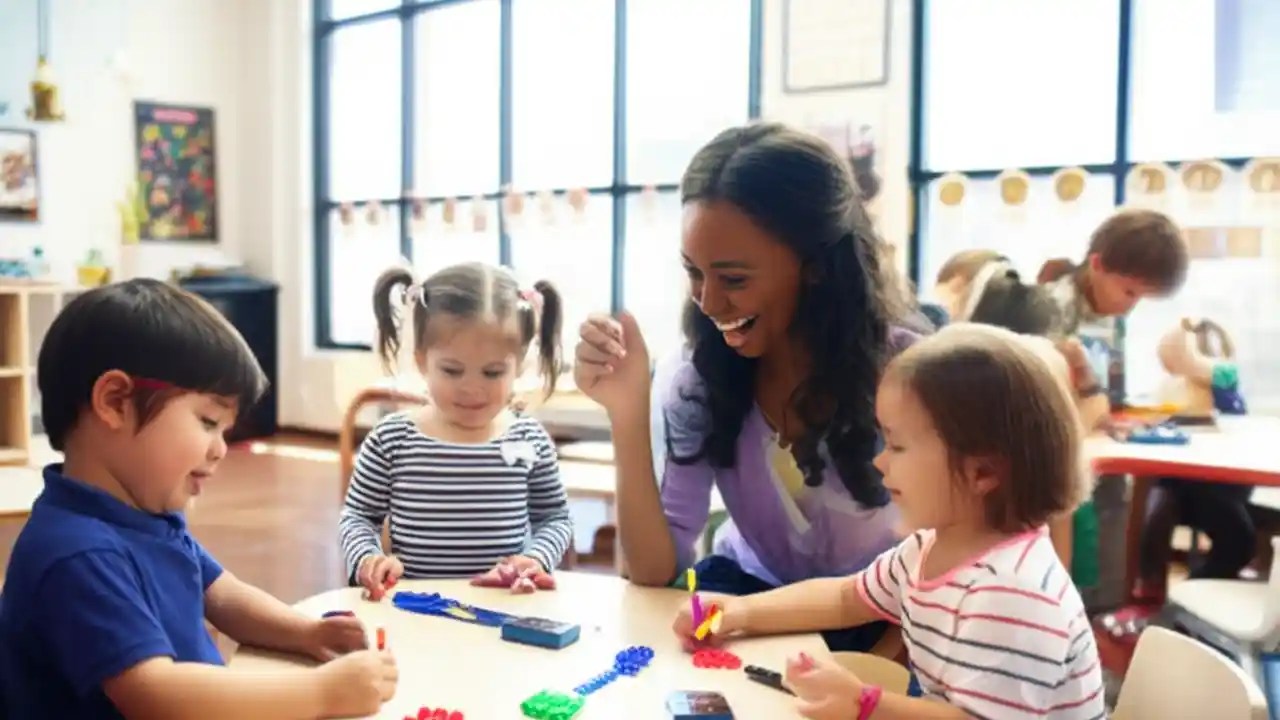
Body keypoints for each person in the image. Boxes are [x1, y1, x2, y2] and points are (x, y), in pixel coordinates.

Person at [573, 122, 922, 655]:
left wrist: (871, 671)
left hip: (891, 620)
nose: (709, 303)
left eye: (734, 280)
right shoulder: (696, 379)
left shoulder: (910, 373)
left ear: (817, 269)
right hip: (751, 606)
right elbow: (652, 572)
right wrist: (627, 410)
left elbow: (959, 551)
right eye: (694, 273)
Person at [0, 279, 398, 719]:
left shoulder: (144, 514)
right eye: (208, 421)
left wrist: (306, 633)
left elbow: (221, 594)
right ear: (115, 401)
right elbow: (155, 695)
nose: (221, 448)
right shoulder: (76, 553)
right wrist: (321, 693)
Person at [675, 324, 1103, 720]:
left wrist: (865, 704)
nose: (880, 461)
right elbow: (847, 598)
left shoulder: (1013, 592)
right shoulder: (931, 547)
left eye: (897, 445)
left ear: (982, 473)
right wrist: (740, 611)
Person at [341, 262, 573, 597]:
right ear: (422, 361)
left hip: (505, 610)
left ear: (519, 364)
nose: (472, 389)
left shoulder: (529, 439)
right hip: (415, 609)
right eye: (452, 371)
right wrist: (368, 558)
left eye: (492, 373)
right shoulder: (392, 440)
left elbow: (555, 518)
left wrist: (536, 558)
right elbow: (358, 517)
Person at [1039, 208, 1189, 611]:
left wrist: (1115, 411)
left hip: (1094, 440)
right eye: (1129, 292)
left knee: (1115, 505)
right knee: (1077, 521)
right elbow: (1045, 396)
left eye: (1142, 298)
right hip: (1057, 447)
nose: (1131, 306)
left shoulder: (1111, 315)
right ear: (1097, 265)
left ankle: (1102, 609)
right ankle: (1075, 612)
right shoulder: (1051, 309)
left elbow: (1107, 387)